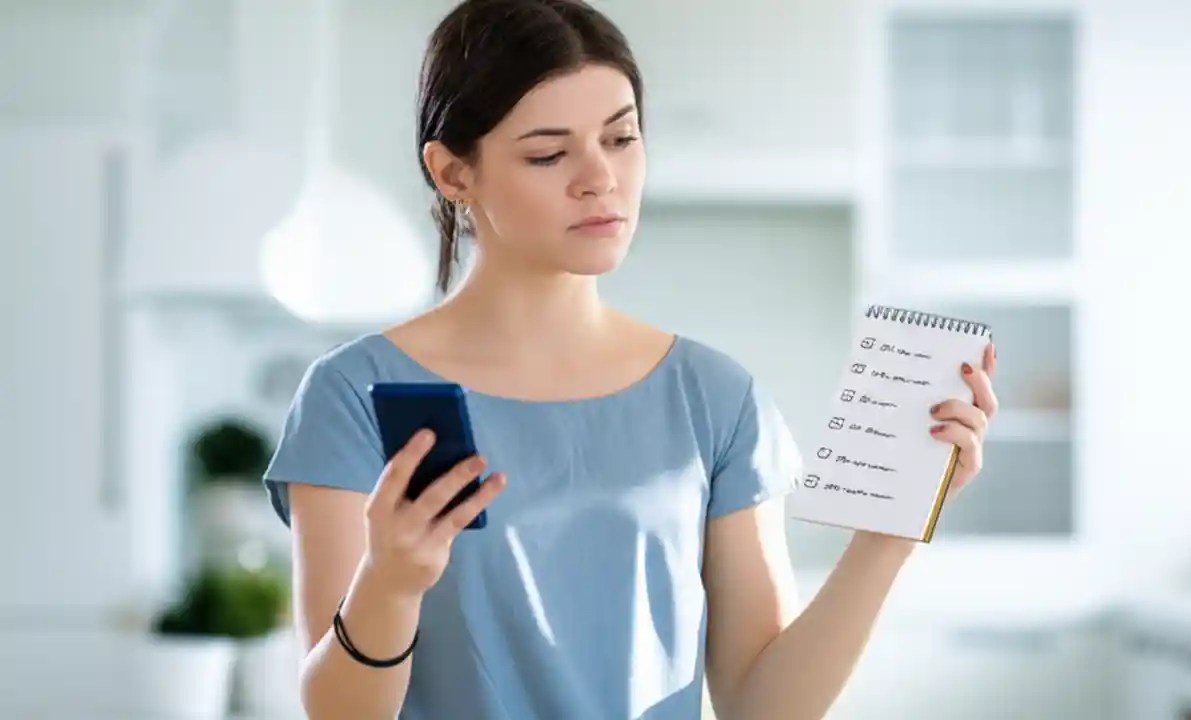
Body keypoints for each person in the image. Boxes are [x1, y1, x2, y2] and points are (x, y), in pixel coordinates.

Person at [262, 1, 999, 718]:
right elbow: (338, 714)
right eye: (549, 153)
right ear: (454, 173)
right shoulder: (354, 394)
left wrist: (888, 537)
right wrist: (389, 586)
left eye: (620, 139)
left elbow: (763, 706)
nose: (599, 177)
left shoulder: (712, 397)